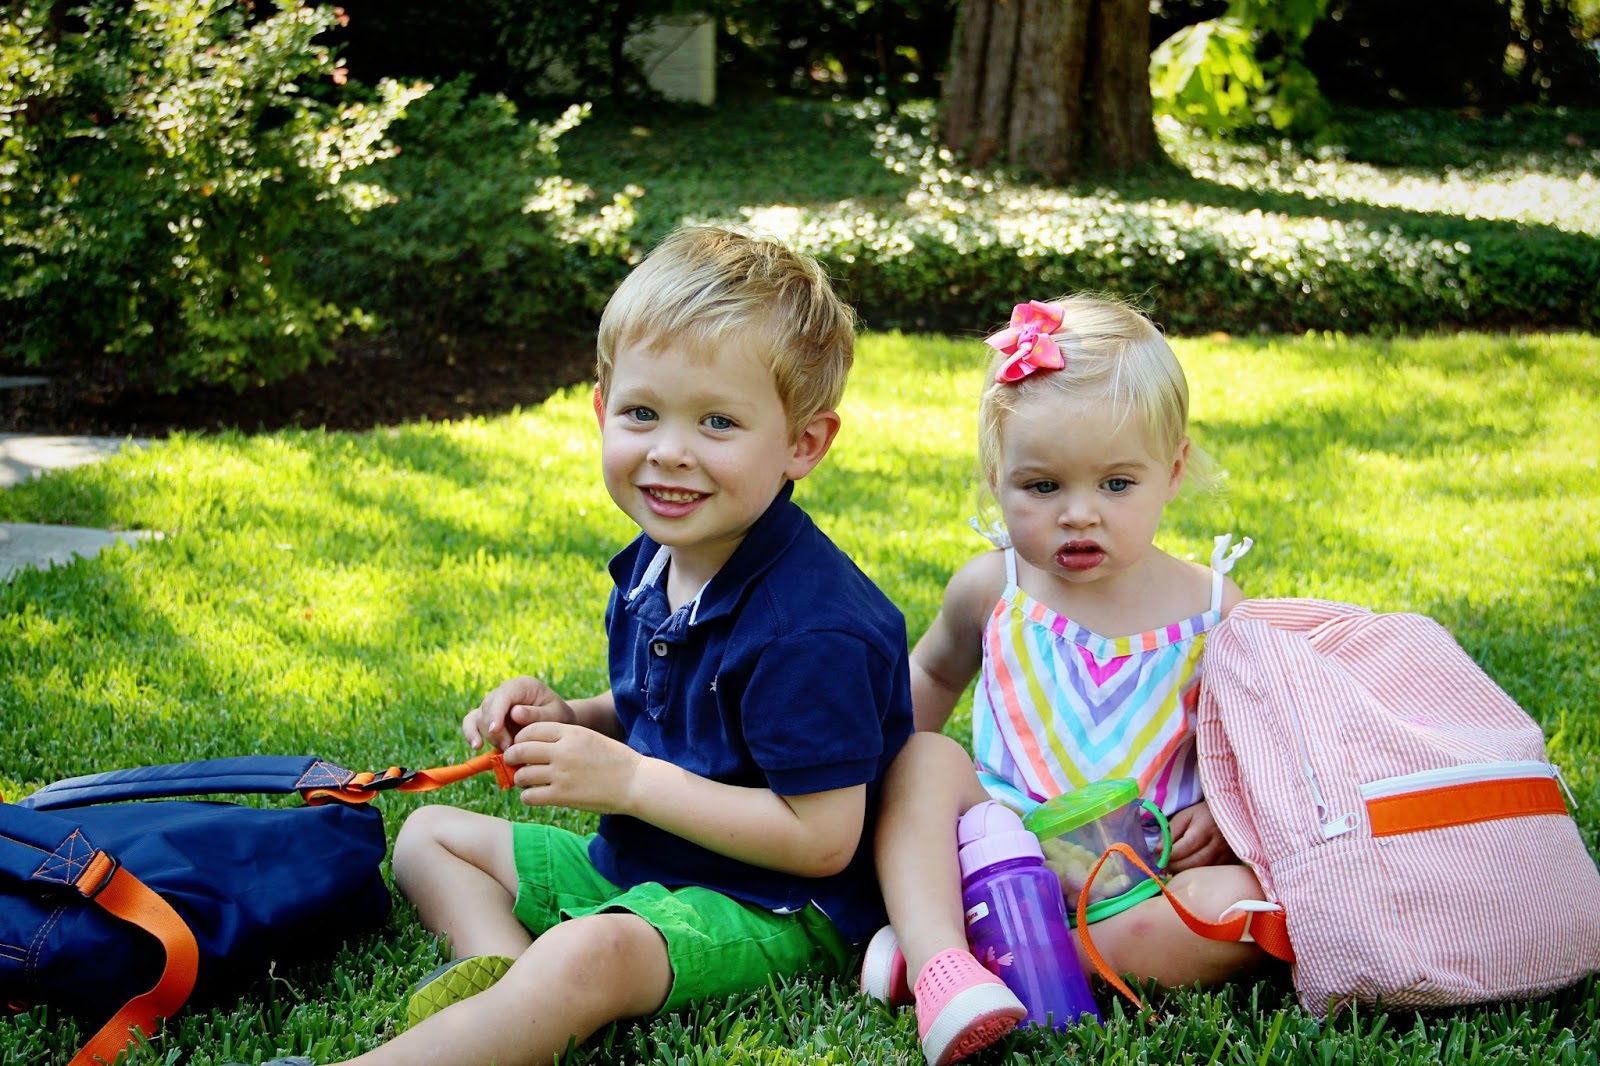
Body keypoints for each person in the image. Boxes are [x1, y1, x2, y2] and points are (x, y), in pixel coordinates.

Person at [235, 226, 914, 1066]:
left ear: (803, 444)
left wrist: (628, 782)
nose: (669, 451)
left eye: (717, 422)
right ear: (600, 409)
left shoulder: (811, 628)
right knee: (427, 837)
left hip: (768, 905)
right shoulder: (658, 562)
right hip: (637, 866)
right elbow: (667, 717)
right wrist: (572, 718)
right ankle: (506, 982)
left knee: (590, 952)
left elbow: (821, 839)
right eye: (642, 413)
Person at [859, 296, 1268, 1066]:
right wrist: (866, 787)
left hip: (1146, 872)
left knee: (1243, 905)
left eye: (1117, 484)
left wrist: (1220, 807)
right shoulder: (993, 589)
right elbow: (929, 677)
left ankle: (986, 959)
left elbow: (1254, 743)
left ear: (1173, 470)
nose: (1080, 514)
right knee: (922, 760)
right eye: (1043, 487)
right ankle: (946, 952)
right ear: (997, 478)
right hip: (997, 853)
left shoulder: (1217, 609)